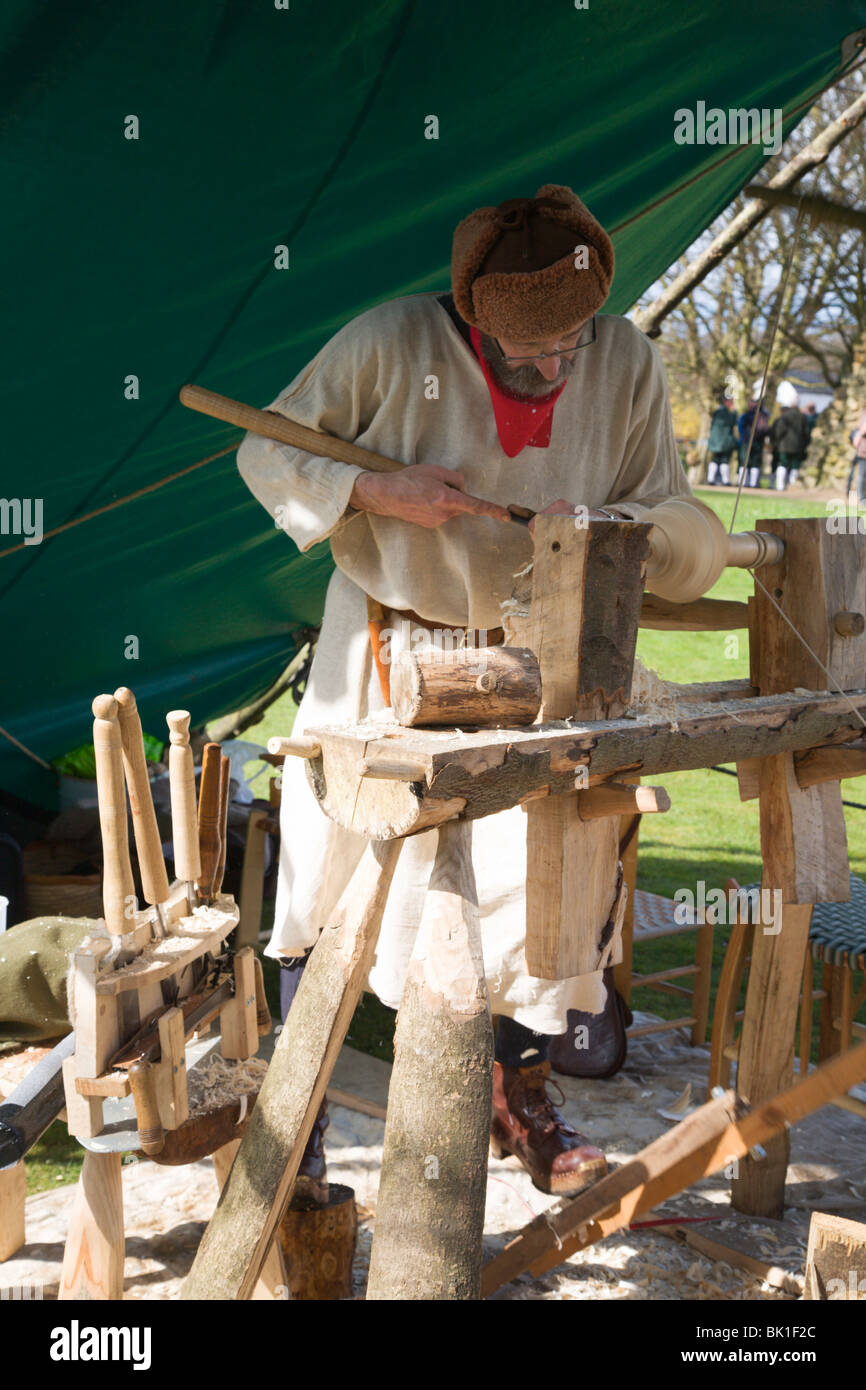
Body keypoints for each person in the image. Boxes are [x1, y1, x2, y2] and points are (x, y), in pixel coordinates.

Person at [237, 185, 709, 1200]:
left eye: (572, 340)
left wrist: (607, 526)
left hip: (539, 655)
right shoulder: (389, 342)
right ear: (472, 319)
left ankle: (518, 1098)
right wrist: (375, 490)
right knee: (331, 884)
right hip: (387, 645)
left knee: (522, 887)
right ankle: (298, 1126)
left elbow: (671, 506)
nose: (558, 366)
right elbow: (264, 447)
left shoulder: (621, 360)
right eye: (532, 351)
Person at [769, 382, 810, 490]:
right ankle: (791, 485)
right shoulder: (803, 417)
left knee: (782, 464)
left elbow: (779, 431)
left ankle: (780, 486)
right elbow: (806, 433)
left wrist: (775, 443)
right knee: (794, 466)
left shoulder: (785, 416)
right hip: (798, 446)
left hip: (784, 446)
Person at [705, 395, 737, 485]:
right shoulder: (725, 413)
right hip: (723, 442)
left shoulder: (717, 412)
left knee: (715, 460)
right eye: (731, 402)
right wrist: (734, 412)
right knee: (724, 460)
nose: (732, 404)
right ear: (727, 402)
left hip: (716, 442)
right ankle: (725, 480)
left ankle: (711, 479)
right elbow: (733, 422)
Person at [738, 397, 769, 487]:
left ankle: (743, 482)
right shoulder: (764, 415)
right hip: (759, 441)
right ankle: (753, 483)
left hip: (747, 441)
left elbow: (741, 426)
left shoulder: (748, 414)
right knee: (755, 462)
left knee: (744, 461)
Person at [849, 407, 866, 505]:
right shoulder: (865, 415)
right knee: (862, 475)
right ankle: (861, 498)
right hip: (864, 450)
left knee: (862, 475)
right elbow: (863, 430)